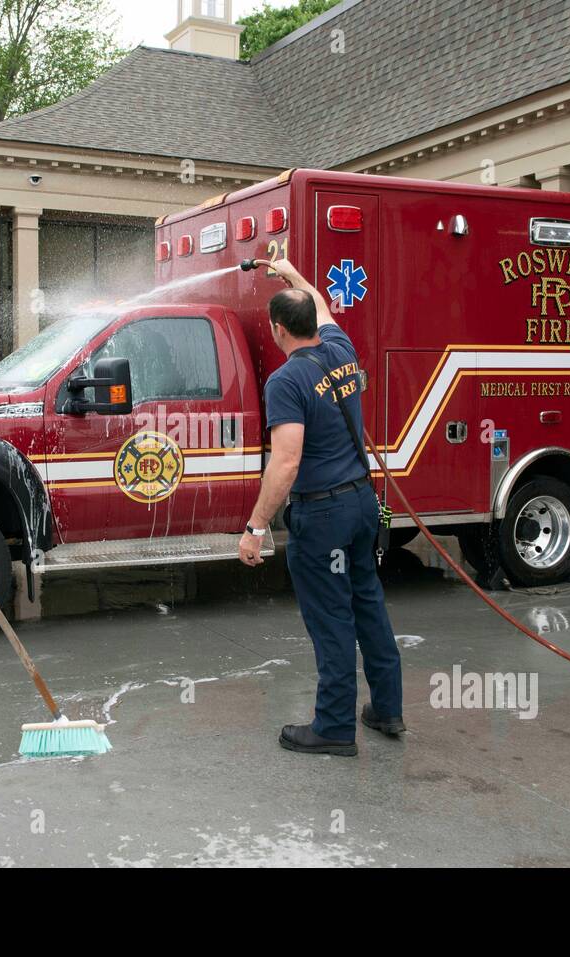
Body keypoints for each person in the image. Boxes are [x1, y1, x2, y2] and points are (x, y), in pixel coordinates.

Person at [238, 259, 404, 757]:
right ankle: (387, 708)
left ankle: (333, 727)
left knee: (332, 618)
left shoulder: (286, 382)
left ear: (277, 330)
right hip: (359, 505)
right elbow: (323, 303)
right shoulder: (340, 348)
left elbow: (286, 463)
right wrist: (291, 272)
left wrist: (255, 527)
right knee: (367, 605)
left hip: (324, 517)